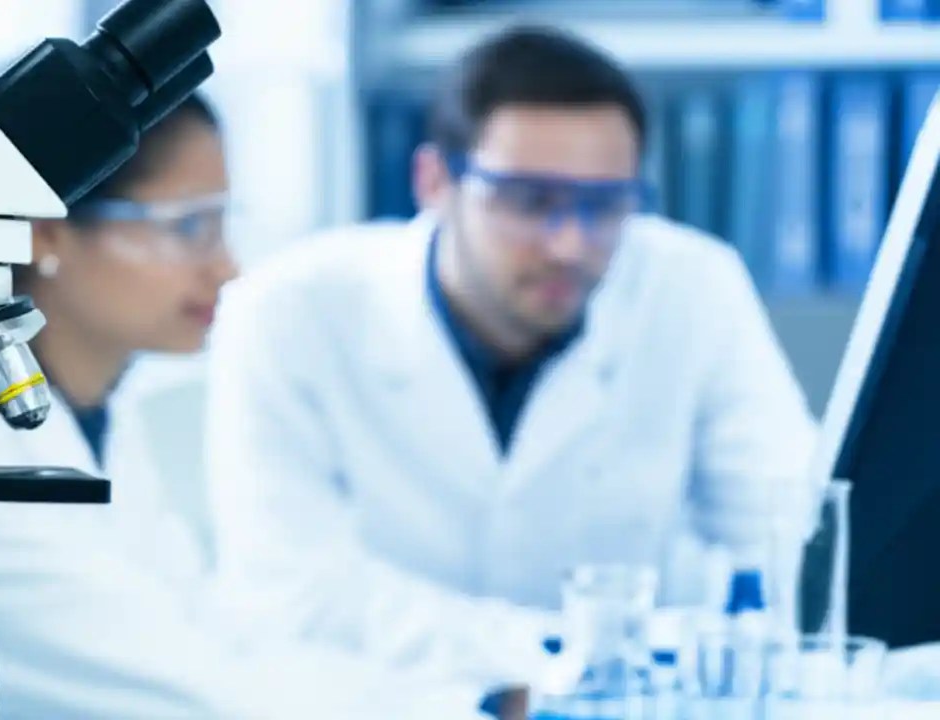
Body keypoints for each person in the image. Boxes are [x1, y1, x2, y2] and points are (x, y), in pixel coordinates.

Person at [0, 95, 494, 719]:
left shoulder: (96, 415)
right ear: (46, 233)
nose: (227, 266)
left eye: (222, 224)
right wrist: (476, 707)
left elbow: (216, 637)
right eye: (190, 227)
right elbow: (201, 695)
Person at [204, 27, 820, 689]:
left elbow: (791, 540)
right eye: (530, 202)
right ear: (435, 181)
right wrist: (576, 652)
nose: (569, 244)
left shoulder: (694, 285)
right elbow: (294, 595)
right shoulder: (288, 309)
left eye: (606, 205)